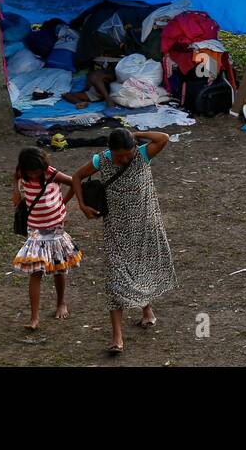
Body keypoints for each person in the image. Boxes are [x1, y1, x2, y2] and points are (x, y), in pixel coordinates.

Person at [72, 129, 177, 355]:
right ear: (111, 151)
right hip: (116, 231)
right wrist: (81, 205)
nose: (123, 159)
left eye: (127, 154)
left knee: (141, 270)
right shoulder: (103, 160)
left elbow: (164, 137)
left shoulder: (142, 154)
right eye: (119, 156)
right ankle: (117, 336)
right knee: (115, 281)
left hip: (145, 227)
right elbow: (76, 177)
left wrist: (137, 133)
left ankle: (146, 309)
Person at [12, 147, 82, 330]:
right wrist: (16, 182)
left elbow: (74, 181)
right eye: (31, 172)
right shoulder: (22, 176)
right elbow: (16, 202)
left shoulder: (52, 175)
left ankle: (61, 302)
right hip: (35, 233)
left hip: (56, 230)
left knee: (59, 269)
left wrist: (63, 202)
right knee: (35, 272)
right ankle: (34, 317)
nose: (35, 175)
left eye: (38, 171)